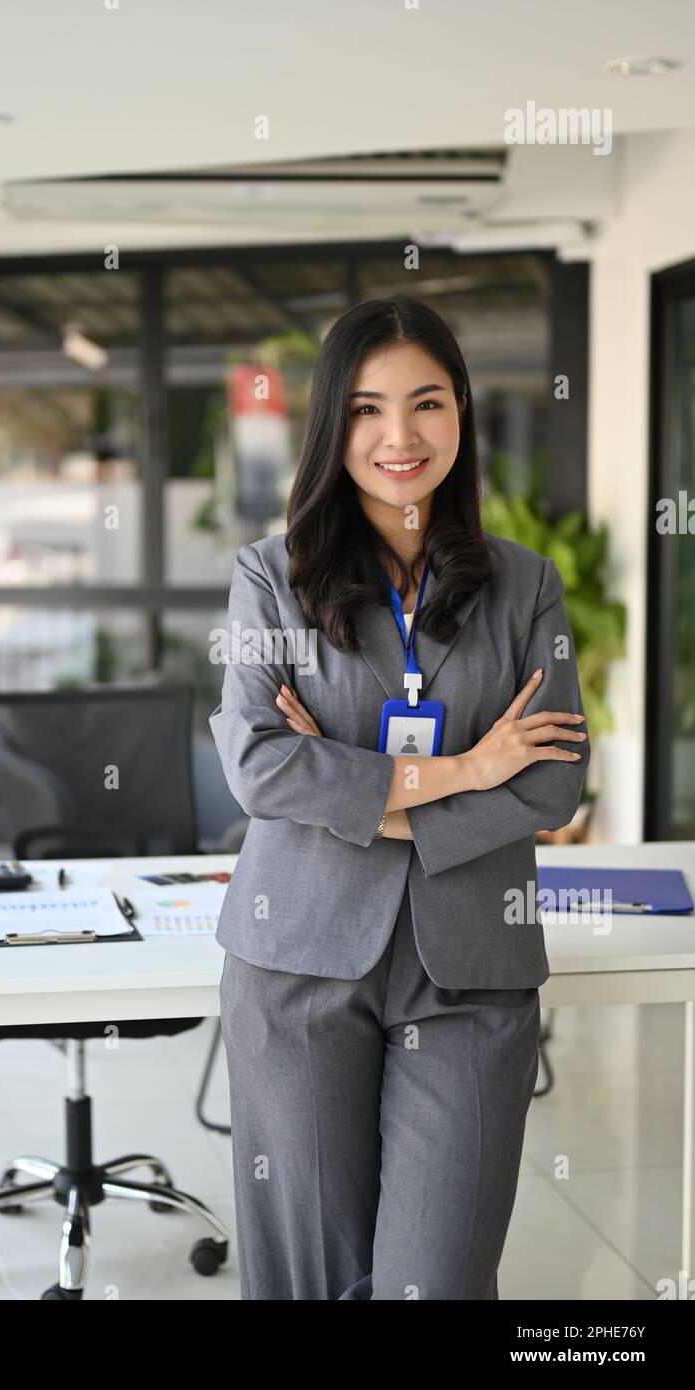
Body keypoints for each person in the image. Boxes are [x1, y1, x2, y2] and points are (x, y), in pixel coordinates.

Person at [209, 296, 589, 1300]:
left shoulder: (527, 586)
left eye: (426, 403)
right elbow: (257, 764)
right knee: (312, 1282)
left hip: (471, 966)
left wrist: (343, 783)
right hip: (297, 960)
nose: (400, 436)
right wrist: (470, 767)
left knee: (441, 1279)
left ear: (461, 411)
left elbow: (553, 775)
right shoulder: (268, 581)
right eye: (369, 409)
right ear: (335, 426)